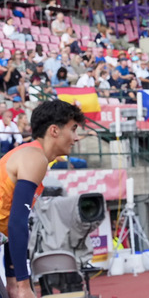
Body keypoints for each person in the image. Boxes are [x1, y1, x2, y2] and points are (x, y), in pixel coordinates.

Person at [0, 100, 85, 298]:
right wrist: (22, 284)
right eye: (73, 130)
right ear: (54, 130)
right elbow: (16, 223)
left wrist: (13, 279)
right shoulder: (34, 158)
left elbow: (10, 223)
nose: (77, 137)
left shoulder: (31, 156)